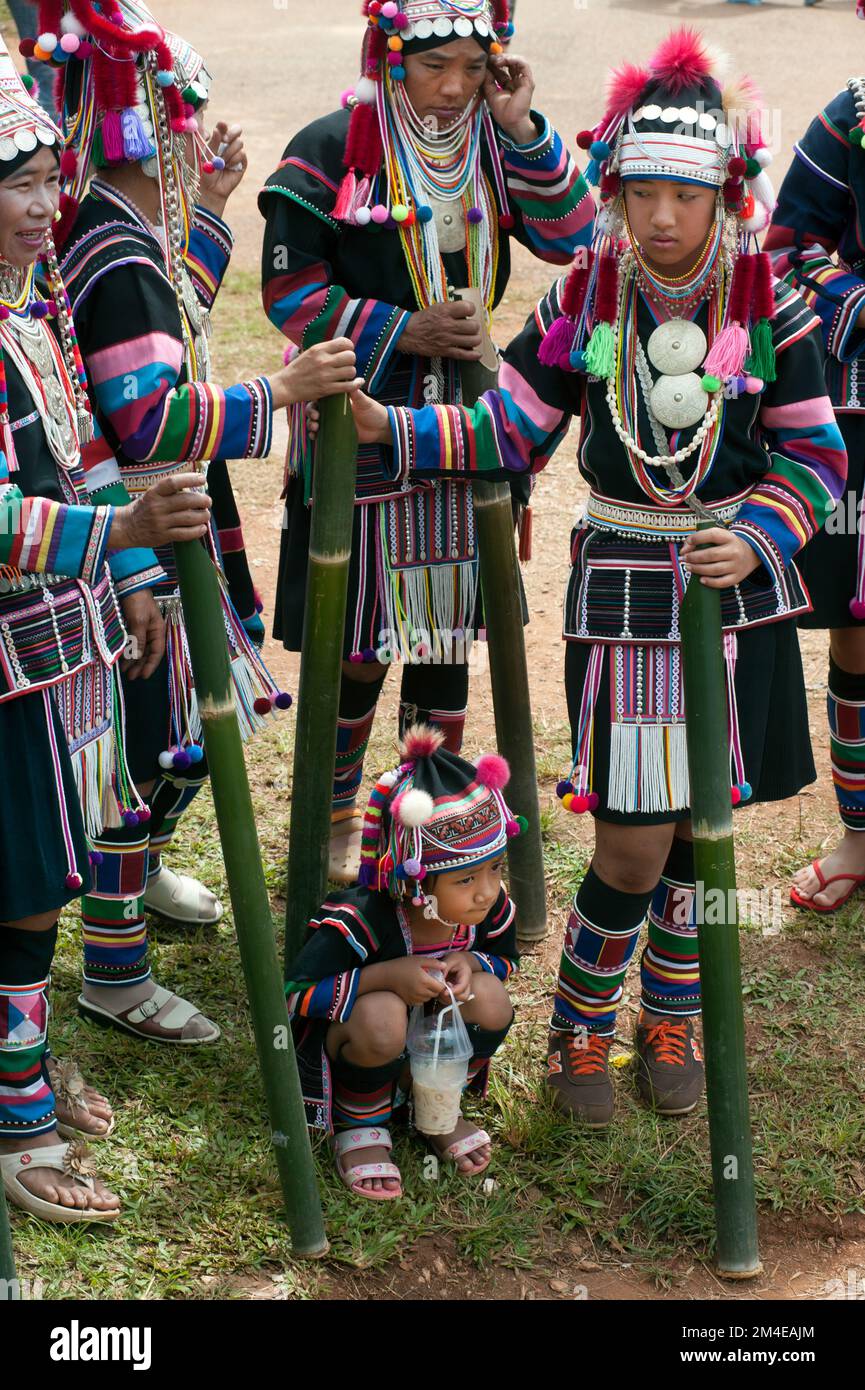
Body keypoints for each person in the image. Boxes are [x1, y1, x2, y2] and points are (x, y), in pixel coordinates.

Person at [350, 29, 848, 1125]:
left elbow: (817, 457)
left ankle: (664, 1016)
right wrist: (393, 424)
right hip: (625, 592)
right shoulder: (590, 296)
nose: (660, 219)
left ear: (725, 193)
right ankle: (578, 1032)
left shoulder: (773, 302)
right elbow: (507, 424)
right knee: (631, 837)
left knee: (697, 835)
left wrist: (761, 531)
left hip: (733, 590)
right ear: (612, 191)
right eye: (639, 195)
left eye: (684, 195)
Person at [26, 1, 361, 1043]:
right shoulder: (114, 250)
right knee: (158, 741)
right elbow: (148, 410)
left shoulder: (118, 234)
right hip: (144, 530)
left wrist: (209, 208)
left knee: (171, 736)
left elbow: (174, 317)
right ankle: (116, 965)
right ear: (142, 127)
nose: (195, 134)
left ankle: (135, 880)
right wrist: (283, 391)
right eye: (184, 120)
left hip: (159, 518)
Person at [259, 0, 593, 884]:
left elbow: (576, 238)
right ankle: (334, 820)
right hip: (357, 425)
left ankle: (436, 815)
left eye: (474, 70)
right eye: (432, 65)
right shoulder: (332, 148)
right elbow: (288, 298)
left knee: (446, 634)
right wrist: (404, 332)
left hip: (467, 426)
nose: (452, 89)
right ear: (390, 53)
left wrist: (523, 127)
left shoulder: (493, 143)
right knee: (361, 641)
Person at [0, 35, 218, 1221]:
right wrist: (122, 528)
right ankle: (16, 1124)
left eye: (49, 179)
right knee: (22, 885)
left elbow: (81, 455)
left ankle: (18, 1070)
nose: (48, 208)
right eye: (22, 185)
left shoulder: (32, 310)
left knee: (42, 878)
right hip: (10, 661)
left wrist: (128, 560)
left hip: (58, 642)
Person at [285, 724, 518, 1199]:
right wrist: (385, 977)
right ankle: (361, 1121)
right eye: (466, 878)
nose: (487, 890)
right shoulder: (361, 922)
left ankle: (435, 1106)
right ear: (416, 879)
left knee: (491, 1000)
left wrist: (470, 963)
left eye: (494, 867)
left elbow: (505, 961)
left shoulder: (487, 911)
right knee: (384, 1013)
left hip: (428, 1046)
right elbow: (294, 995)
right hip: (366, 1039)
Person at [765, 2, 865, 912]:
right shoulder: (851, 117)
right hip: (863, 410)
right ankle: (858, 834)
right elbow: (789, 247)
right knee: (862, 628)